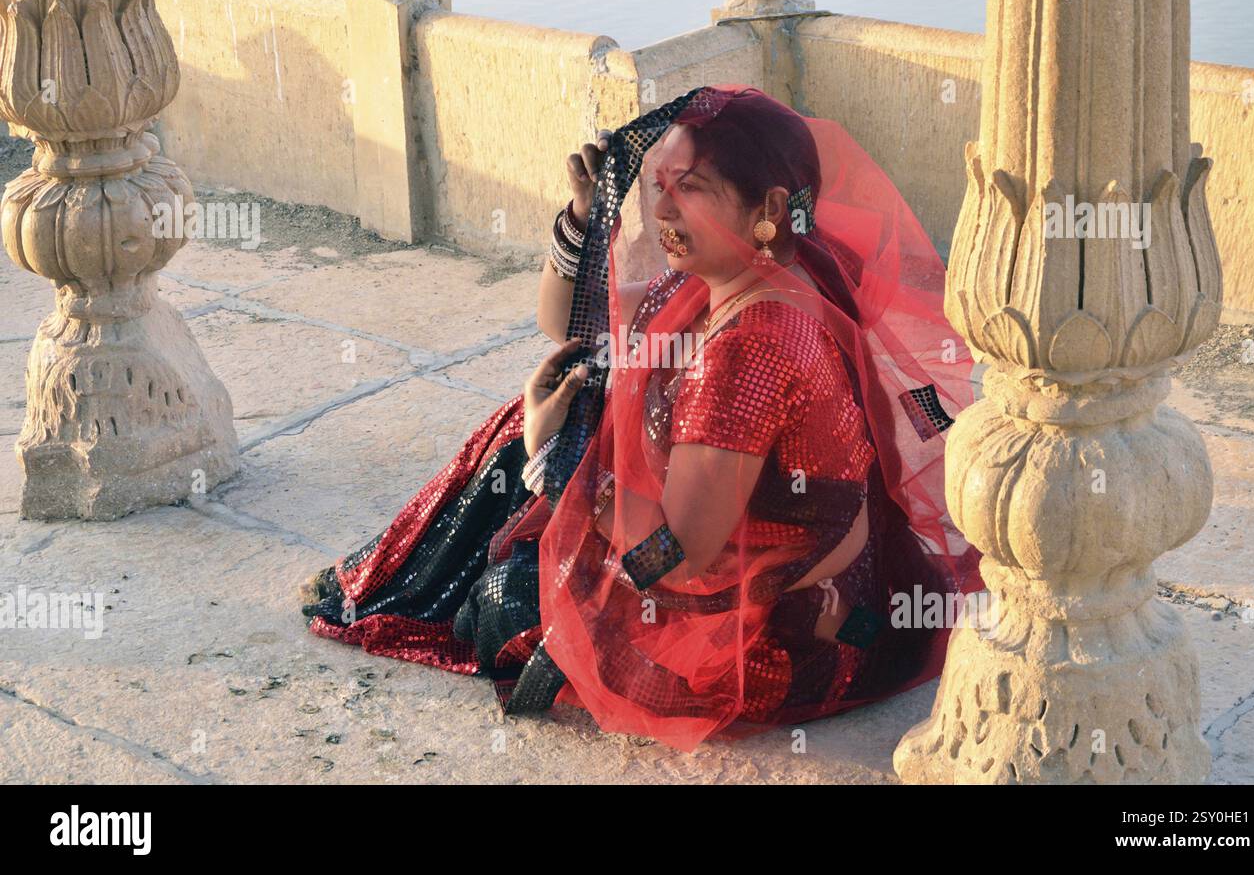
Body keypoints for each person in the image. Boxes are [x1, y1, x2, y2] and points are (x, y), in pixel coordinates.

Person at [300, 84, 982, 751]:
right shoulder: (742, 273)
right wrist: (582, 217)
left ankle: (388, 593)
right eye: (658, 182)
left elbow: (673, 562)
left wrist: (561, 468)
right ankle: (381, 582)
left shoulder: (753, 347)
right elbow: (572, 323)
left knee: (508, 593)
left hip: (774, 635)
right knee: (540, 419)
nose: (661, 205)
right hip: (767, 558)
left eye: (689, 186)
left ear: (768, 207)